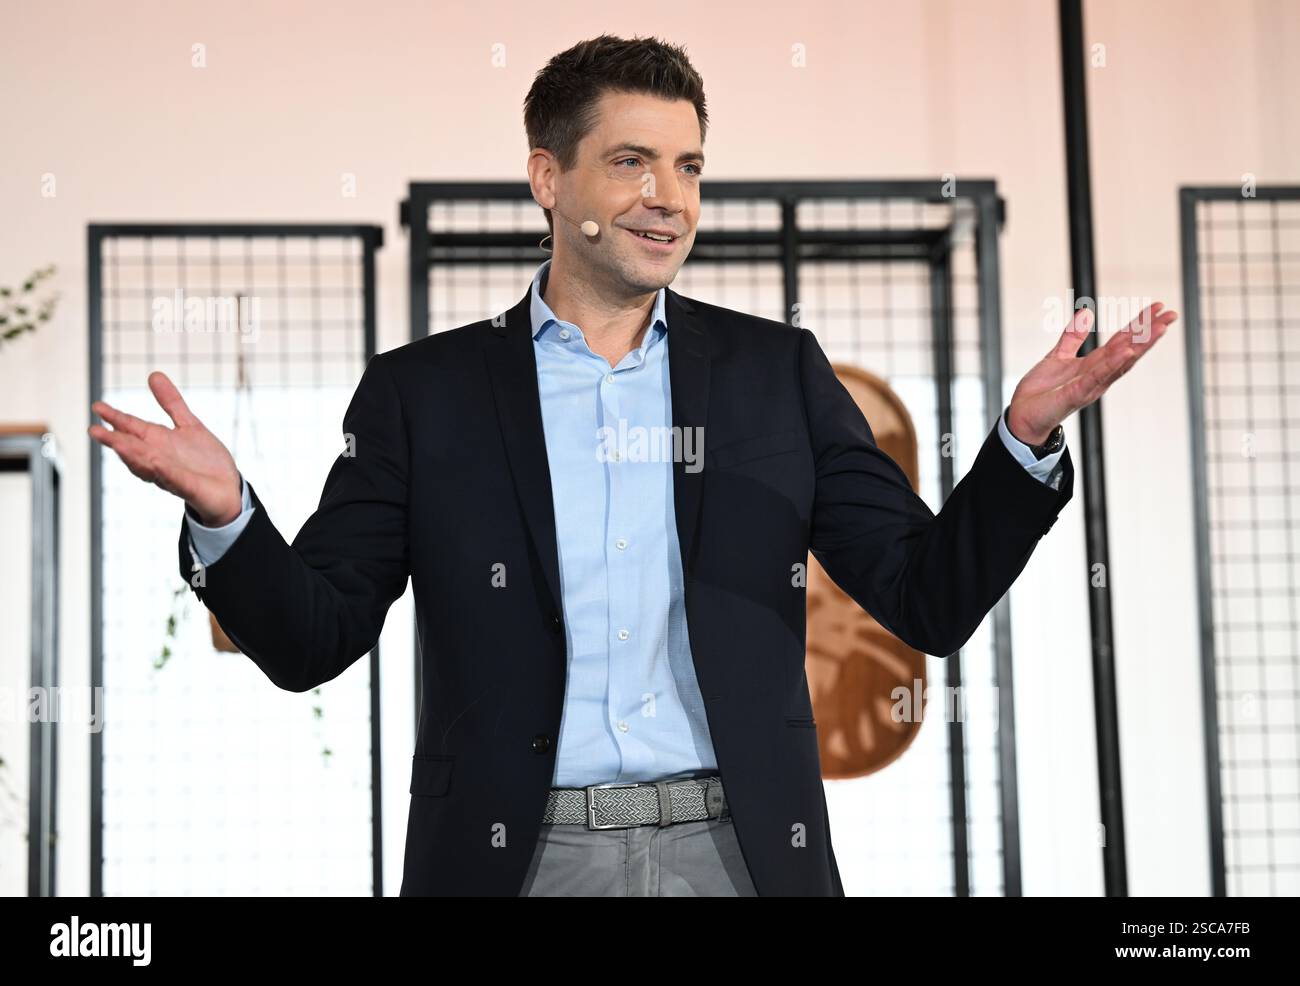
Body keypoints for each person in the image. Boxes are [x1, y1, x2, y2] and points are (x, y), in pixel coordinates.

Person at [88, 34, 1175, 896]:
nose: (670, 196)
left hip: (739, 854)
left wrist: (1023, 441)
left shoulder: (776, 375)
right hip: (518, 861)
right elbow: (312, 640)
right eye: (631, 162)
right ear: (548, 178)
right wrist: (227, 513)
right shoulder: (423, 396)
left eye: (689, 166)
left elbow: (924, 596)